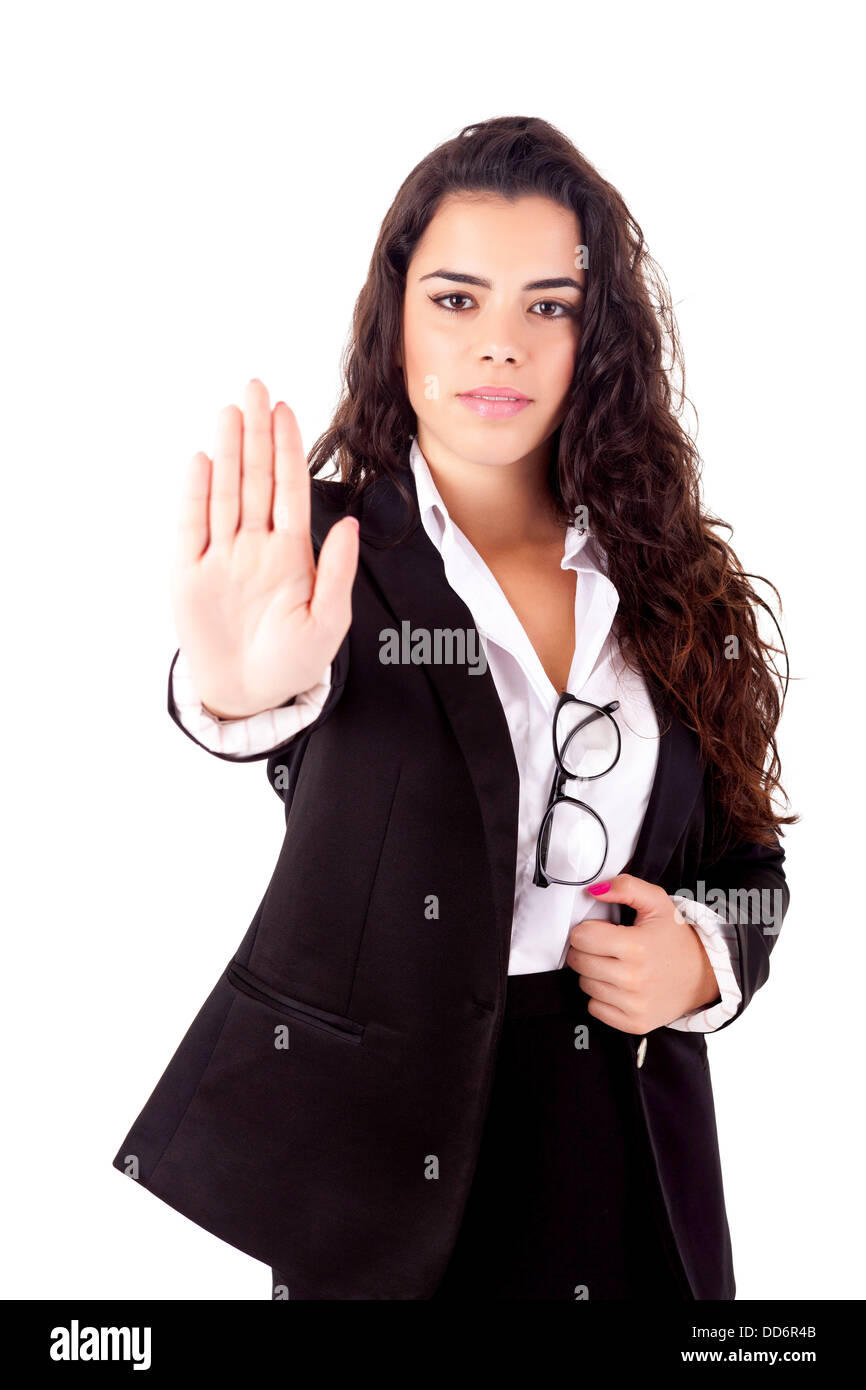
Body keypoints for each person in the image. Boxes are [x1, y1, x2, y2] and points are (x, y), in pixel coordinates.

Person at [113, 115, 794, 1301]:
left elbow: (747, 862)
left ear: (597, 336)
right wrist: (232, 685)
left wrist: (698, 960)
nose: (500, 347)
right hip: (388, 1164)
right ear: (397, 322)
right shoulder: (318, 553)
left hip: (621, 1143)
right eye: (456, 299)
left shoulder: (677, 586)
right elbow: (255, 697)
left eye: (548, 306)